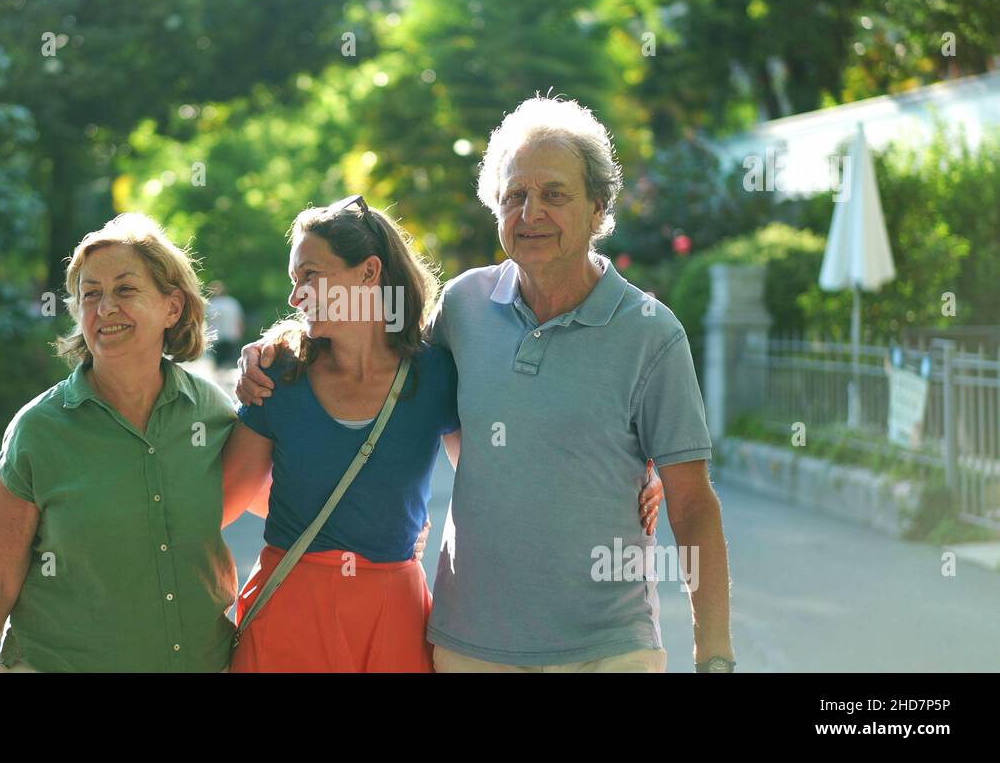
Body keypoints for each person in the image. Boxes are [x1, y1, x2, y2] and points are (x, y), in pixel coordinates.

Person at [239, 95, 733, 673]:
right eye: (515, 196)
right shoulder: (464, 307)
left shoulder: (652, 334)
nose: (531, 214)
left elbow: (694, 503)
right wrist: (276, 344)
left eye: (554, 194)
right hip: (470, 645)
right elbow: (373, 354)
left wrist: (714, 655)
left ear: (598, 208)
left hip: (609, 646)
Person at [224, 196, 666, 672]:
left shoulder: (433, 375)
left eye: (309, 276)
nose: (295, 297)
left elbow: (504, 472)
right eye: (295, 281)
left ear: (369, 272)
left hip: (393, 617)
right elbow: (223, 502)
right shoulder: (279, 374)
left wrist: (632, 475)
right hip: (290, 611)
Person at [0, 213, 238, 672]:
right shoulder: (39, 430)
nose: (105, 309)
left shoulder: (212, 415)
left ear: (173, 307)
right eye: (91, 295)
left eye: (125, 290)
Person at [205, 280, 244, 370]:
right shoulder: (231, 302)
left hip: (223, 336)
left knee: (224, 363)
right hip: (224, 336)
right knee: (225, 363)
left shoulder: (214, 304)